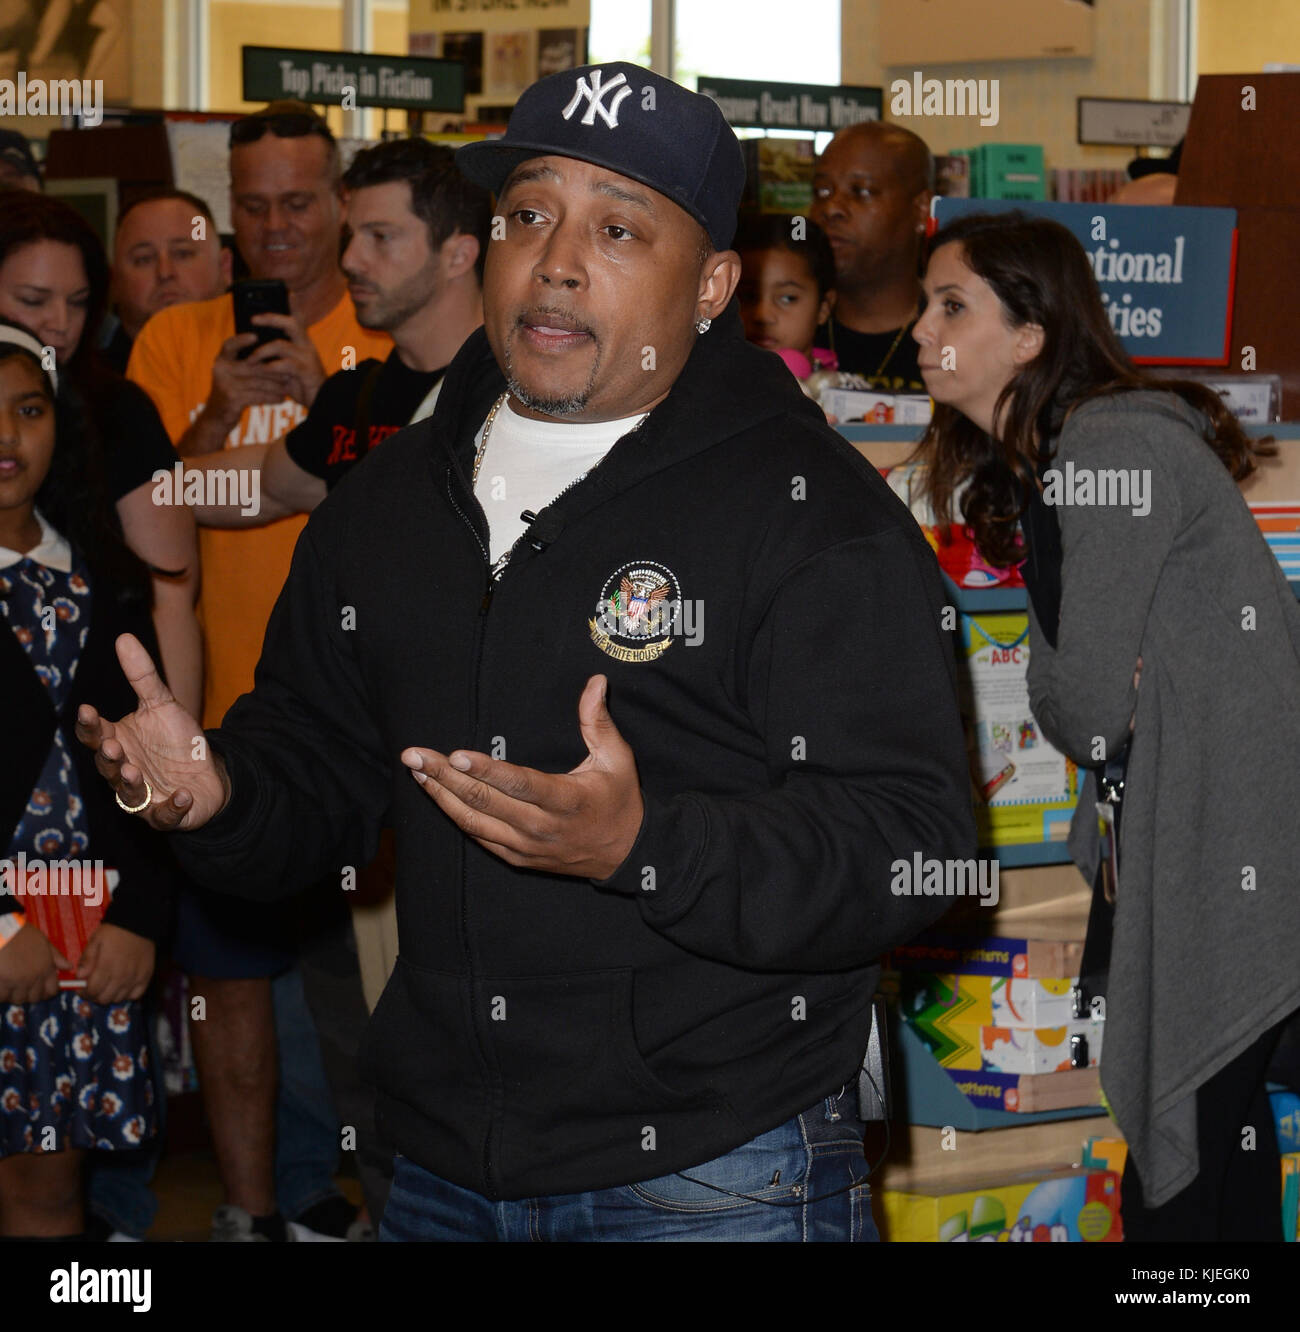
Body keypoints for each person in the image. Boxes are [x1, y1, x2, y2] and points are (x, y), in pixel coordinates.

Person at [77, 60, 975, 1243]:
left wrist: (645, 847)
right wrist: (219, 793)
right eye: (528, 214)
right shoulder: (391, 496)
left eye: (617, 228)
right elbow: (319, 763)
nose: (556, 259)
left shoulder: (809, 510)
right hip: (440, 1170)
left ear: (711, 285)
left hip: (714, 1171)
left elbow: (914, 843)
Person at [911, 209, 1300, 1241]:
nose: (919, 329)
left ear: (1030, 334)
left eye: (951, 306)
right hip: (1214, 853)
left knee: (1177, 1180)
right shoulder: (1078, 452)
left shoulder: (1108, 447)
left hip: (1226, 862)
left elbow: (1082, 711)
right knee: (1218, 1158)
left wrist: (1081, 688)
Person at [126, 101, 390, 1244]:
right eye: (256, 206)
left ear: (337, 202)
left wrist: (307, 441)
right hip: (221, 722)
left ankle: (356, 1202)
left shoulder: (396, 334)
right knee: (240, 988)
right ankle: (257, 1211)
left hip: (375, 725)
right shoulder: (174, 344)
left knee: (367, 988)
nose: (278, 229)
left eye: (300, 201)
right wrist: (216, 417)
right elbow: (154, 516)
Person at [0, 321, 173, 1240]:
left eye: (29, 411)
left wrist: (141, 916)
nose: (6, 437)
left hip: (85, 925)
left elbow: (155, 776)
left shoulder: (106, 584)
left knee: (48, 1191)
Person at [192, 136, 488, 526]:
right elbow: (266, 485)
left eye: (380, 236)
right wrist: (121, 484)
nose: (350, 259)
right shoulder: (354, 397)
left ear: (458, 256)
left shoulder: (518, 393)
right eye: (352, 236)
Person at [0, 193, 201, 720]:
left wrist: (183, 745)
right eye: (34, 299)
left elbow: (172, 597)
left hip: (105, 712)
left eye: (79, 300)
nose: (59, 323)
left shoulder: (121, 411)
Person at [810, 121, 932, 392]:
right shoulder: (784, 326)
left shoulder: (954, 338)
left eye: (861, 191)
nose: (831, 208)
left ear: (921, 208)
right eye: (822, 191)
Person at [103, 189, 232, 374]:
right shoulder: (83, 393)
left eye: (183, 254)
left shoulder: (271, 364)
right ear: (114, 281)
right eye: (144, 259)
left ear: (224, 267)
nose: (165, 272)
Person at [735, 213, 837, 385]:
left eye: (788, 298)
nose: (763, 315)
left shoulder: (844, 391)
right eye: (748, 296)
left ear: (823, 308)